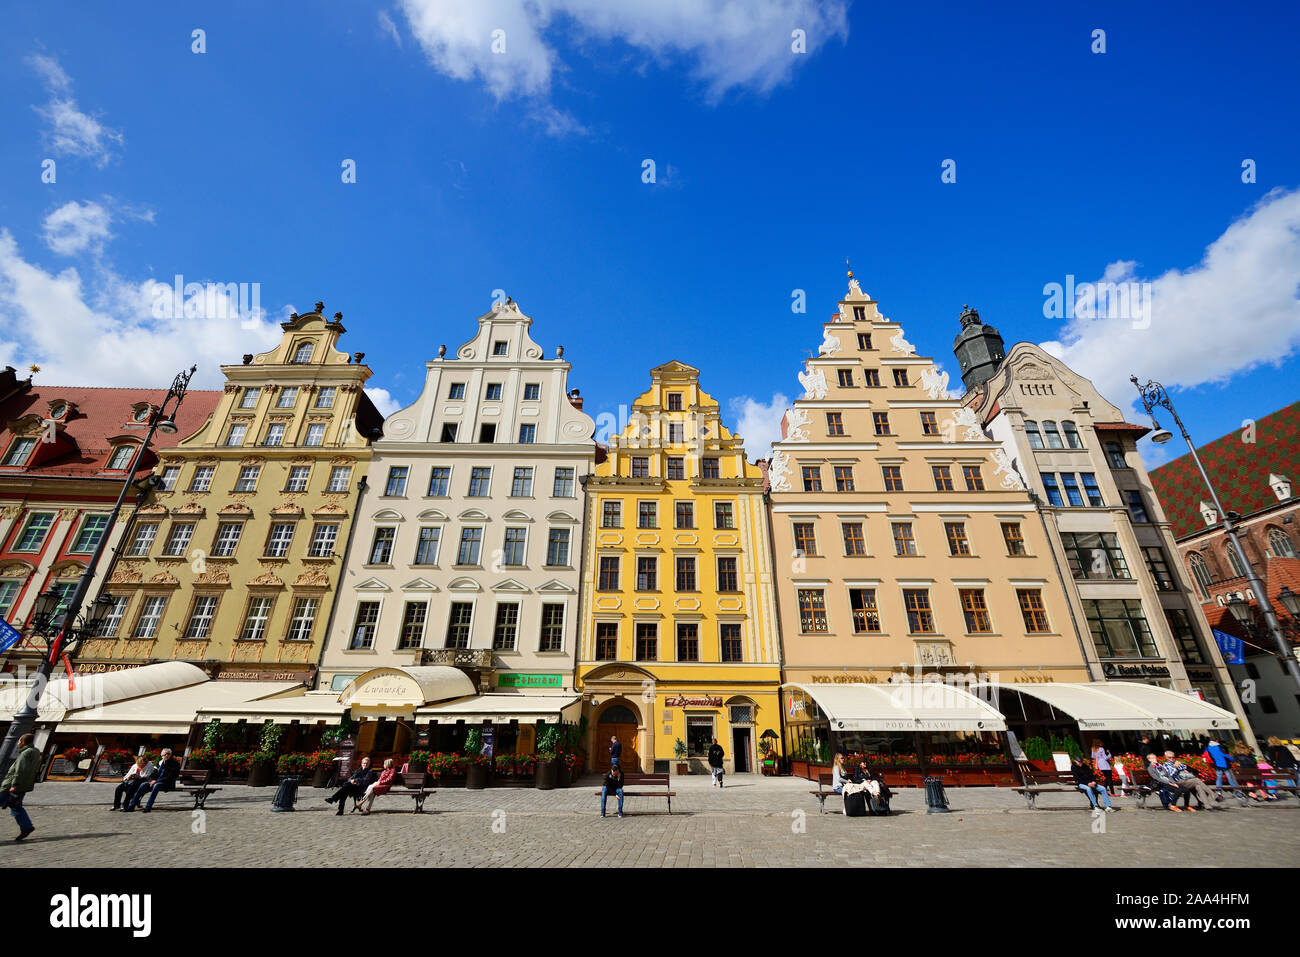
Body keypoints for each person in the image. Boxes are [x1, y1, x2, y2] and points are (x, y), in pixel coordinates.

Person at [2, 733, 41, 840]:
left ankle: (26, 827)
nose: (18, 743)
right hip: (25, 785)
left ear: (23, 742)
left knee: (12, 803)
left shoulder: (25, 753)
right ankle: (26, 827)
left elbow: (20, 770)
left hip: (12, 785)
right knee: (16, 806)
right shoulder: (36, 752)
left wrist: (15, 784)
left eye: (19, 741)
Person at [123, 748, 180, 812]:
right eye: (165, 754)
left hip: (168, 784)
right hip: (156, 782)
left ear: (170, 755)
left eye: (168, 754)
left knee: (156, 786)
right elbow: (153, 774)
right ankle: (131, 806)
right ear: (162, 755)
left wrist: (156, 781)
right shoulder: (160, 763)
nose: (166, 755)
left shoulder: (175, 764)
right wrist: (152, 780)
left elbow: (170, 776)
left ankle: (148, 806)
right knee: (143, 784)